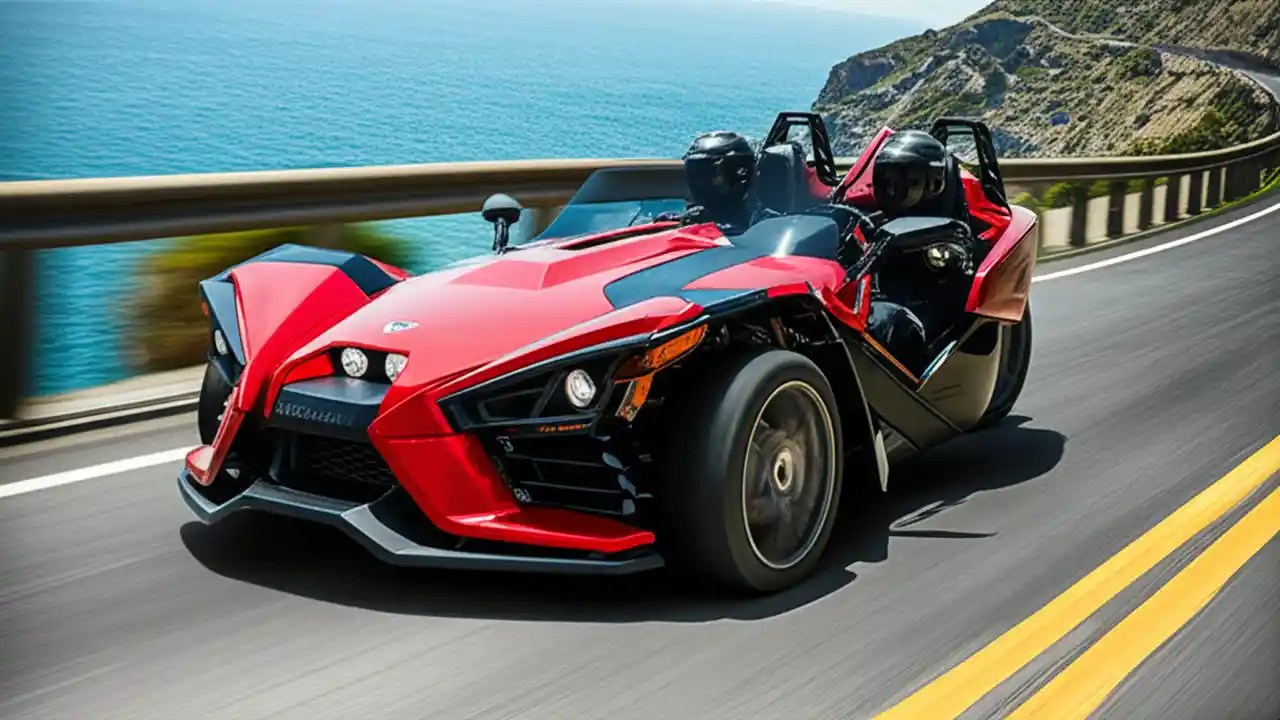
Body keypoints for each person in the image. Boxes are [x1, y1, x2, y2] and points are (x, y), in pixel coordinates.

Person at [658, 131, 758, 234]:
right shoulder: (694, 217)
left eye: (706, 172)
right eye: (693, 171)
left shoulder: (759, 223)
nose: (698, 180)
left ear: (740, 174)